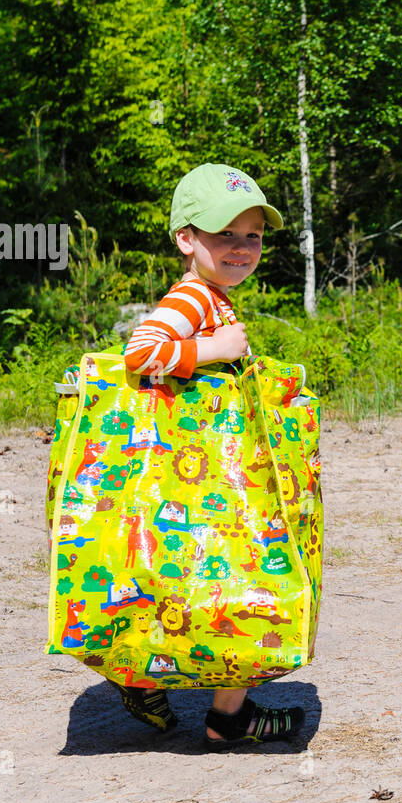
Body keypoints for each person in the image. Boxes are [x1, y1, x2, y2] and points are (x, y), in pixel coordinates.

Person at [120, 162, 305, 751]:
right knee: (246, 576)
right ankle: (223, 713)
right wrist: (213, 347)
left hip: (203, 474)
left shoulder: (212, 295)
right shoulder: (192, 297)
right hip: (205, 479)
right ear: (186, 239)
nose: (242, 247)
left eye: (252, 235)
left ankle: (150, 676)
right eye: (225, 234)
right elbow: (140, 353)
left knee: (190, 576)